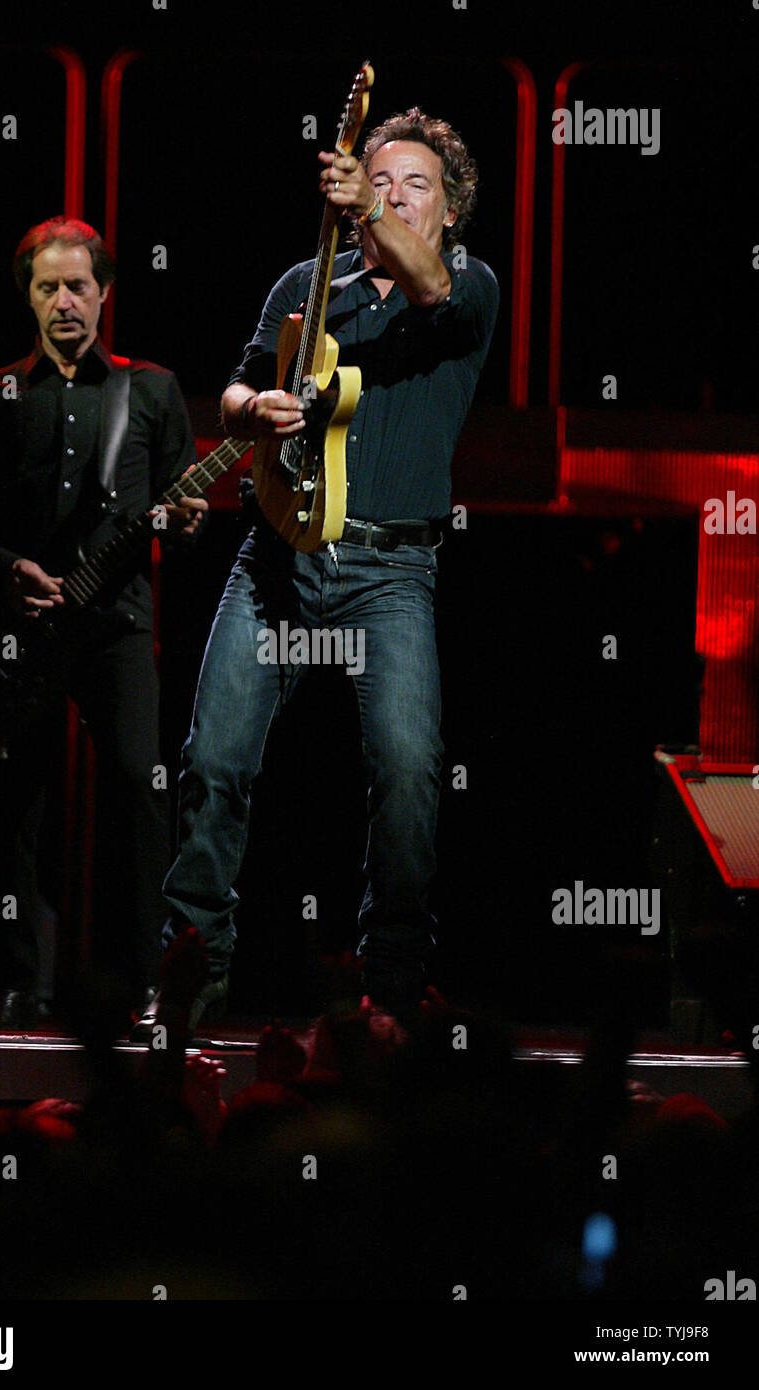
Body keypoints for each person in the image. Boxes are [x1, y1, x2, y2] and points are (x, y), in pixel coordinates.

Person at [135, 107, 498, 1038]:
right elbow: (232, 385)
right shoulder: (306, 282)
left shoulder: (467, 286)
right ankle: (188, 973)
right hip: (276, 556)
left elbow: (425, 287)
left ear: (451, 209)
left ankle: (390, 992)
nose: (393, 196)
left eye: (415, 186)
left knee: (410, 774)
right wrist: (251, 403)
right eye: (378, 180)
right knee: (212, 760)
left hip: (390, 571)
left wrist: (364, 213)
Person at [0, 216, 207, 1028]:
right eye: (48, 286)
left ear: (104, 293)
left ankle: (141, 980)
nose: (64, 301)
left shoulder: (149, 390)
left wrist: (187, 519)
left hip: (117, 623)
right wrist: (4, 571)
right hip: (22, 630)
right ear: (27, 294)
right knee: (13, 802)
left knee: (137, 785)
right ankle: (22, 979)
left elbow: (180, 504)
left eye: (78, 285)